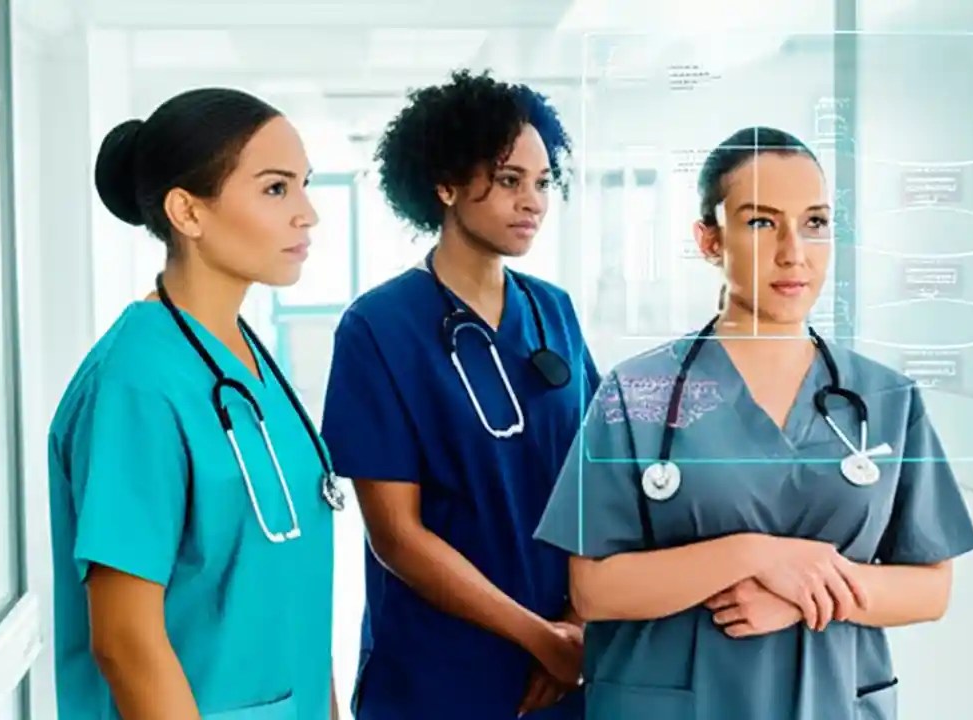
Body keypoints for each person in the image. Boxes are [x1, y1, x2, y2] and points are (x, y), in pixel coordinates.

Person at [534, 126, 973, 720]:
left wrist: (807, 594)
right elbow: (594, 589)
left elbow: (931, 586)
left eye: (815, 222)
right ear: (709, 239)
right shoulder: (637, 392)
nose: (793, 251)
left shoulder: (884, 398)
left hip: (829, 702)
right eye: (761, 222)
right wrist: (753, 553)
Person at [48, 87, 345, 719]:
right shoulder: (135, 384)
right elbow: (126, 641)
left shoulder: (242, 357)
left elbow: (291, 590)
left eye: (304, 184)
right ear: (187, 211)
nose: (308, 213)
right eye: (276, 188)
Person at [319, 69, 597, 720]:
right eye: (508, 181)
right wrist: (539, 637)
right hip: (438, 674)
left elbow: (597, 478)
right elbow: (397, 537)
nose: (532, 201)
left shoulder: (552, 311)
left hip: (565, 669)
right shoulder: (378, 328)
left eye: (541, 182)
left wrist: (578, 624)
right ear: (444, 184)